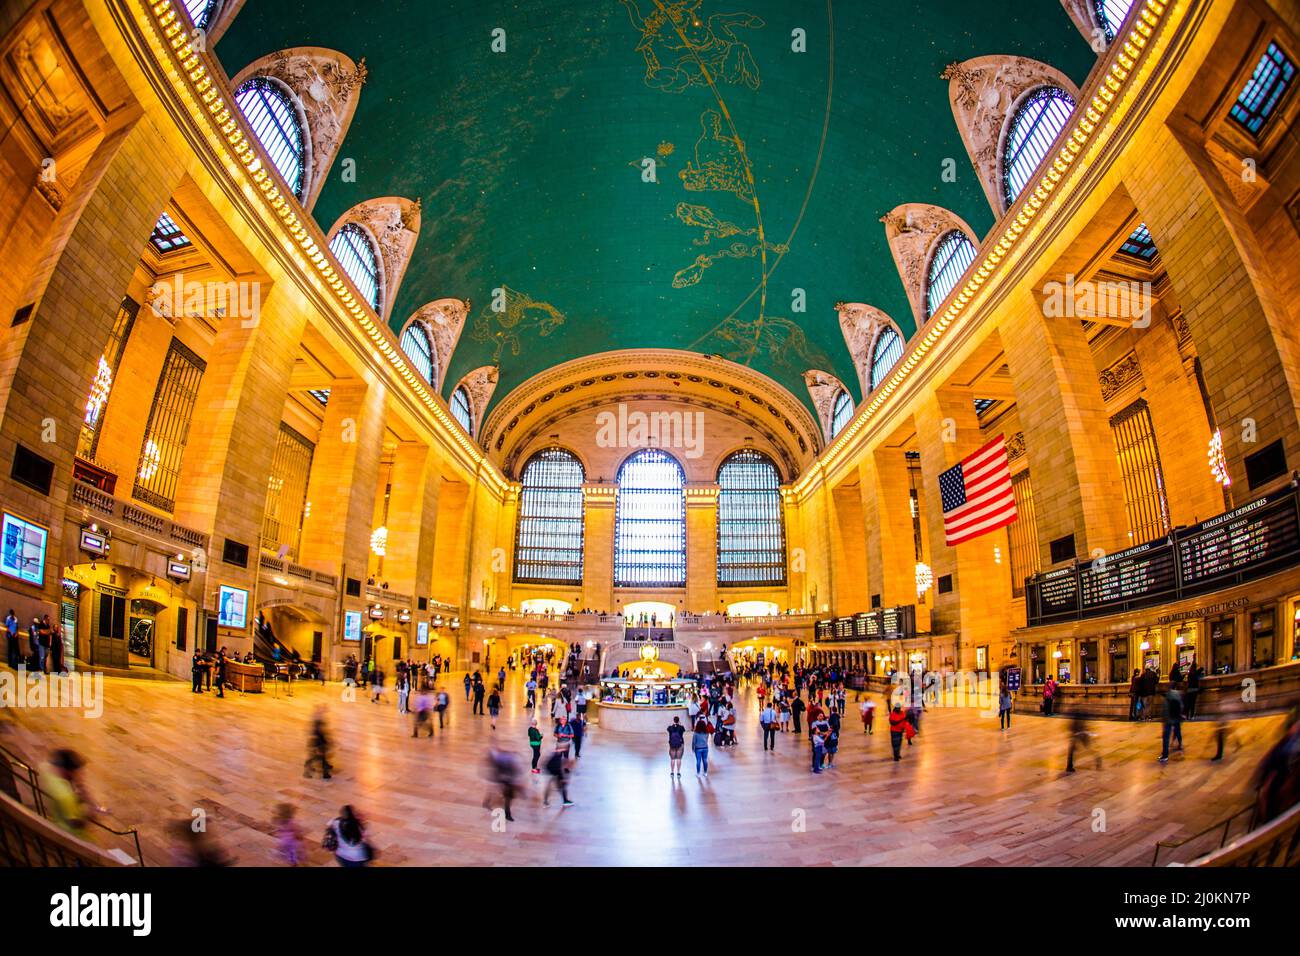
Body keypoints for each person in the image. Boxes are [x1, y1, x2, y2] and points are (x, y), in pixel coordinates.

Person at [39, 750, 103, 835]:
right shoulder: (65, 796)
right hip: (69, 834)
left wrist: (80, 787)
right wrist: (90, 816)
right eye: (79, 771)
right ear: (67, 772)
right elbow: (74, 824)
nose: (82, 774)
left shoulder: (47, 768)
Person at [303, 710, 333, 779]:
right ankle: (308, 772)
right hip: (318, 747)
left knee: (320, 759)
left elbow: (323, 737)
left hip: (319, 746)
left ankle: (325, 772)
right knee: (318, 758)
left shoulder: (318, 730)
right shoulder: (317, 731)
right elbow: (318, 740)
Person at [1158, 687, 1184, 762]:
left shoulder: (1166, 700)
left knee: (1166, 738)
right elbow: (1181, 706)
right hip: (1176, 718)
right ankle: (1180, 744)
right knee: (1178, 732)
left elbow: (1164, 713)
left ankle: (1165, 755)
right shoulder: (1177, 696)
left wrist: (1163, 725)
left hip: (1168, 720)